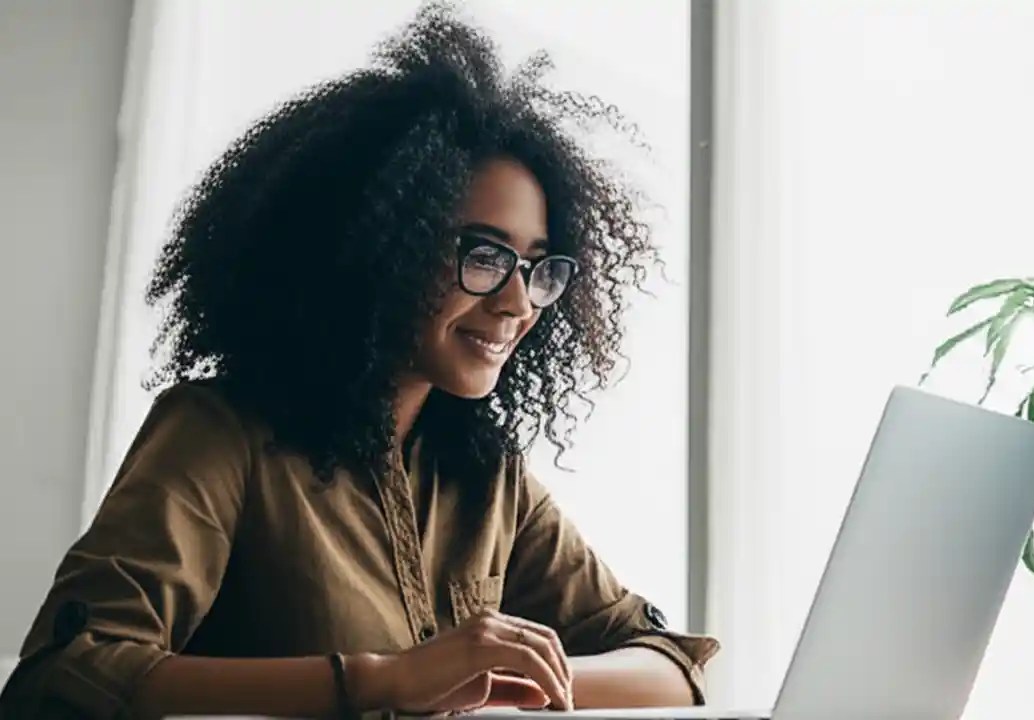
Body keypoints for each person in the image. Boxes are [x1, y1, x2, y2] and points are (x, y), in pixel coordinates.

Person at [0, 4, 718, 718]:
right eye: (483, 255)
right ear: (379, 250)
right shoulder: (221, 435)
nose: (518, 302)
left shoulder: (485, 478)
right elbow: (60, 678)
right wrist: (387, 680)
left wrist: (492, 680)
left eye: (536, 267)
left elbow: (669, 668)